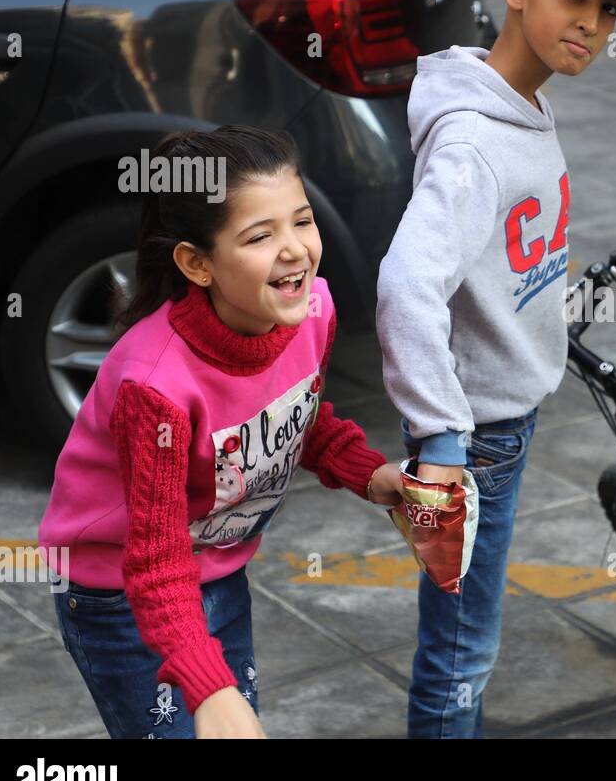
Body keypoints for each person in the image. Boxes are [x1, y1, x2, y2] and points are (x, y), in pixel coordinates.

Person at [375, 0, 616, 738]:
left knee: (465, 643)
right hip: (476, 442)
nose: (592, 24)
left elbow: (497, 260)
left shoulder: (524, 100)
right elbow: (404, 284)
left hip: (496, 424)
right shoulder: (474, 144)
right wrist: (440, 442)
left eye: (608, 9)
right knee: (460, 658)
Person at [39, 126, 407, 738]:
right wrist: (208, 686)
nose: (294, 250)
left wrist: (371, 474)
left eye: (302, 221)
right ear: (197, 264)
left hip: (216, 570)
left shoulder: (312, 310)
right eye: (260, 236)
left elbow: (297, 414)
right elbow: (154, 562)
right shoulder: (154, 385)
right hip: (122, 597)